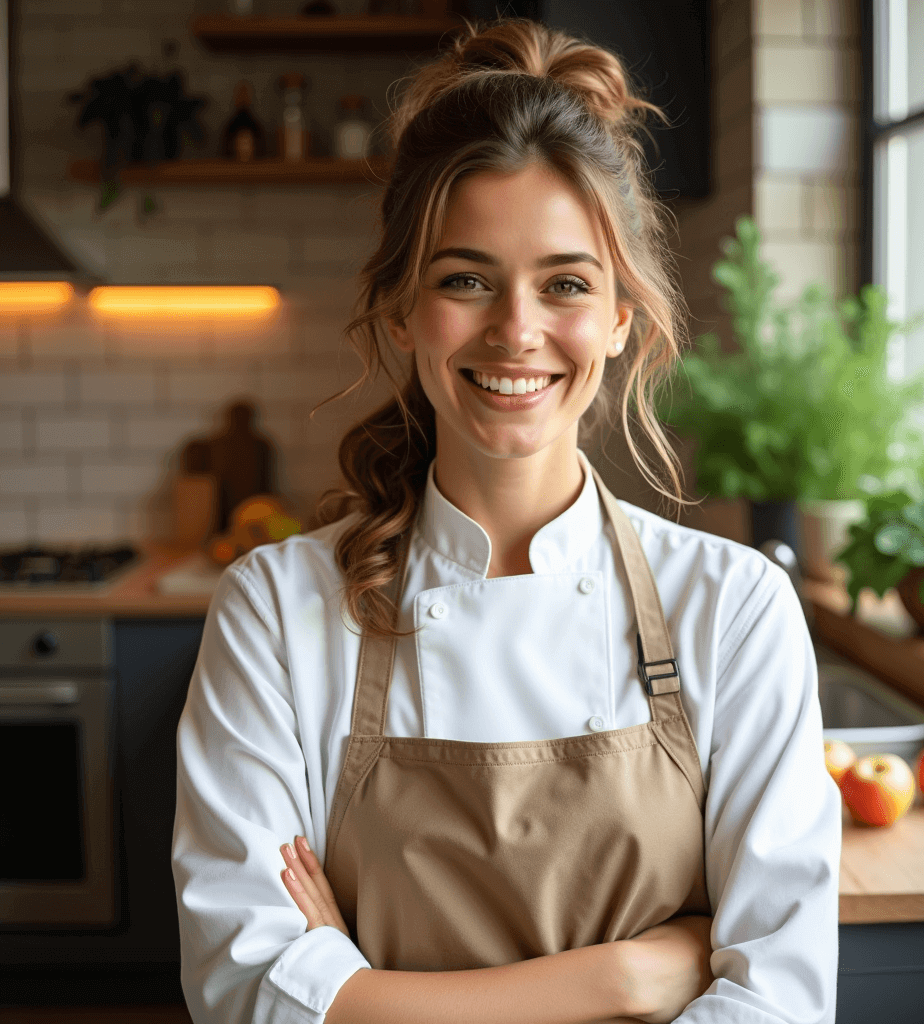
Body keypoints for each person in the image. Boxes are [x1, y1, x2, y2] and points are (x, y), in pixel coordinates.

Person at [171, 16, 841, 1024]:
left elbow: (778, 999)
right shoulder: (275, 610)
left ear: (620, 318)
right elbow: (243, 987)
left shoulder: (734, 608)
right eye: (464, 279)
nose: (516, 330)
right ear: (402, 309)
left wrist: (354, 988)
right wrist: (621, 979)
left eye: (565, 283)